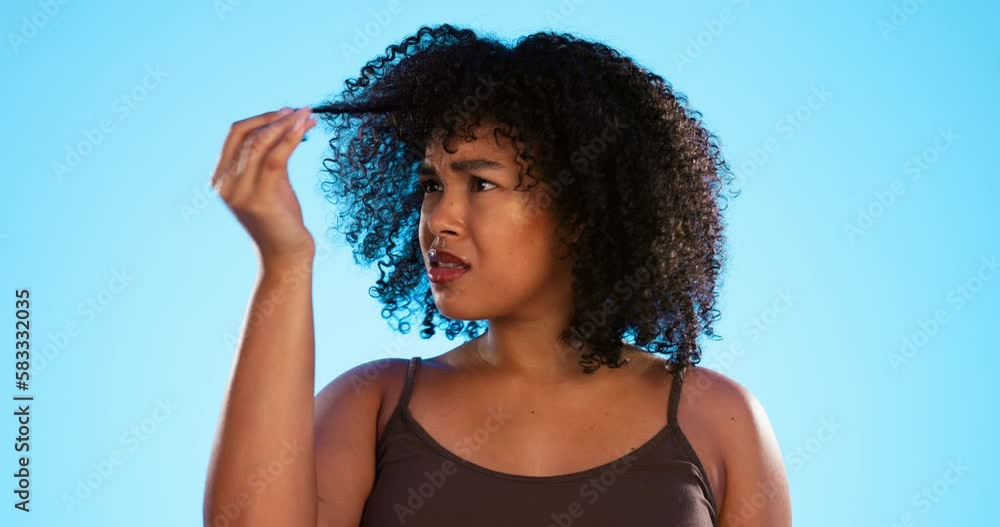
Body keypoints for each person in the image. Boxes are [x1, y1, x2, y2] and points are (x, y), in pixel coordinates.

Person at [203, 23, 791, 527]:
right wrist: (284, 258)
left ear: (582, 211)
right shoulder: (375, 404)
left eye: (480, 184)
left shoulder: (717, 419)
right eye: (432, 185)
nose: (440, 220)